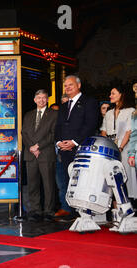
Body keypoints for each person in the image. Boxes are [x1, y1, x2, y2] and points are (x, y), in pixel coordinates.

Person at [54, 75, 99, 221]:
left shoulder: (89, 102)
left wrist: (74, 141)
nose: (67, 88)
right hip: (63, 150)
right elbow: (58, 127)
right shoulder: (63, 106)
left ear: (78, 85)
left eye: (70, 85)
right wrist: (58, 142)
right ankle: (68, 210)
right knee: (65, 181)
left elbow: (91, 125)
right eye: (65, 85)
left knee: (81, 181)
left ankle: (82, 212)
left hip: (81, 149)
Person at [22, 89, 58, 222]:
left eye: (44, 97)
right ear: (34, 100)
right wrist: (31, 147)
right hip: (30, 154)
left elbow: (53, 134)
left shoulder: (54, 114)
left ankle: (49, 211)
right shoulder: (28, 115)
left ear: (47, 99)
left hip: (46, 153)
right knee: (32, 184)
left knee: (48, 184)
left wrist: (38, 146)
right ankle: (35, 210)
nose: (41, 100)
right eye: (39, 98)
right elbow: (24, 133)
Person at [101, 86, 137, 199]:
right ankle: (115, 205)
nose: (110, 96)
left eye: (113, 93)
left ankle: (130, 202)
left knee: (126, 175)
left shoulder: (130, 111)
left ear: (121, 95)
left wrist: (120, 148)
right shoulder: (109, 113)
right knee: (111, 176)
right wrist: (108, 146)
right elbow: (104, 130)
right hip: (110, 148)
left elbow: (129, 131)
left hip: (124, 147)